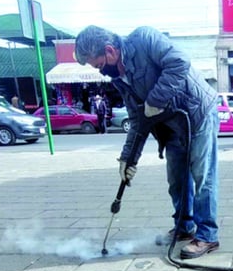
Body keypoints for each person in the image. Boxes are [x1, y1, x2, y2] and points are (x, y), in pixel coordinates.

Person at [76, 25, 221, 259]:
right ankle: (184, 227)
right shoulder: (119, 80)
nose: (101, 72)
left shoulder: (144, 39)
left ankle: (207, 235)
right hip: (171, 125)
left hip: (197, 114)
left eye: (100, 65)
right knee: (177, 180)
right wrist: (128, 159)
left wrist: (155, 99)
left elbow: (179, 63)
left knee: (202, 177)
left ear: (110, 51)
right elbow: (137, 120)